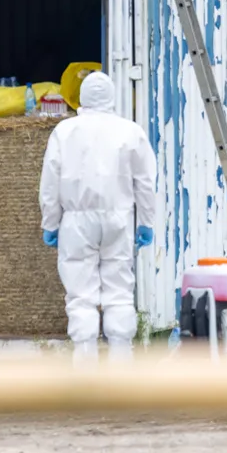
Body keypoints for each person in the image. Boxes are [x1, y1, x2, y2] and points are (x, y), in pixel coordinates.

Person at [38, 71, 157, 363]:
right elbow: (145, 181)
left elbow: (50, 183)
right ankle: (121, 365)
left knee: (80, 293)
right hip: (119, 218)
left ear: (82, 97)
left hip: (76, 221)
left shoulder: (65, 131)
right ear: (111, 97)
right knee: (119, 289)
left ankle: (85, 364)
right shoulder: (130, 131)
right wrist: (146, 221)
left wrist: (50, 223)